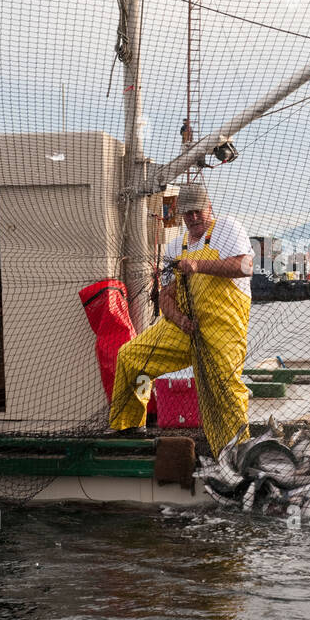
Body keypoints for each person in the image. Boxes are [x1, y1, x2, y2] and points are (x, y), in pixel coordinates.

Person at [109, 182, 252, 454]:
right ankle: (129, 424)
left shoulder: (227, 228)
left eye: (198, 211)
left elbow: (245, 266)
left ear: (209, 208)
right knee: (130, 357)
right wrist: (180, 320)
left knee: (224, 386)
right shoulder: (176, 247)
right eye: (187, 213)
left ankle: (238, 450)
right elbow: (165, 296)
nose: (193, 217)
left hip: (223, 328)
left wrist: (199, 266)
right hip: (182, 327)